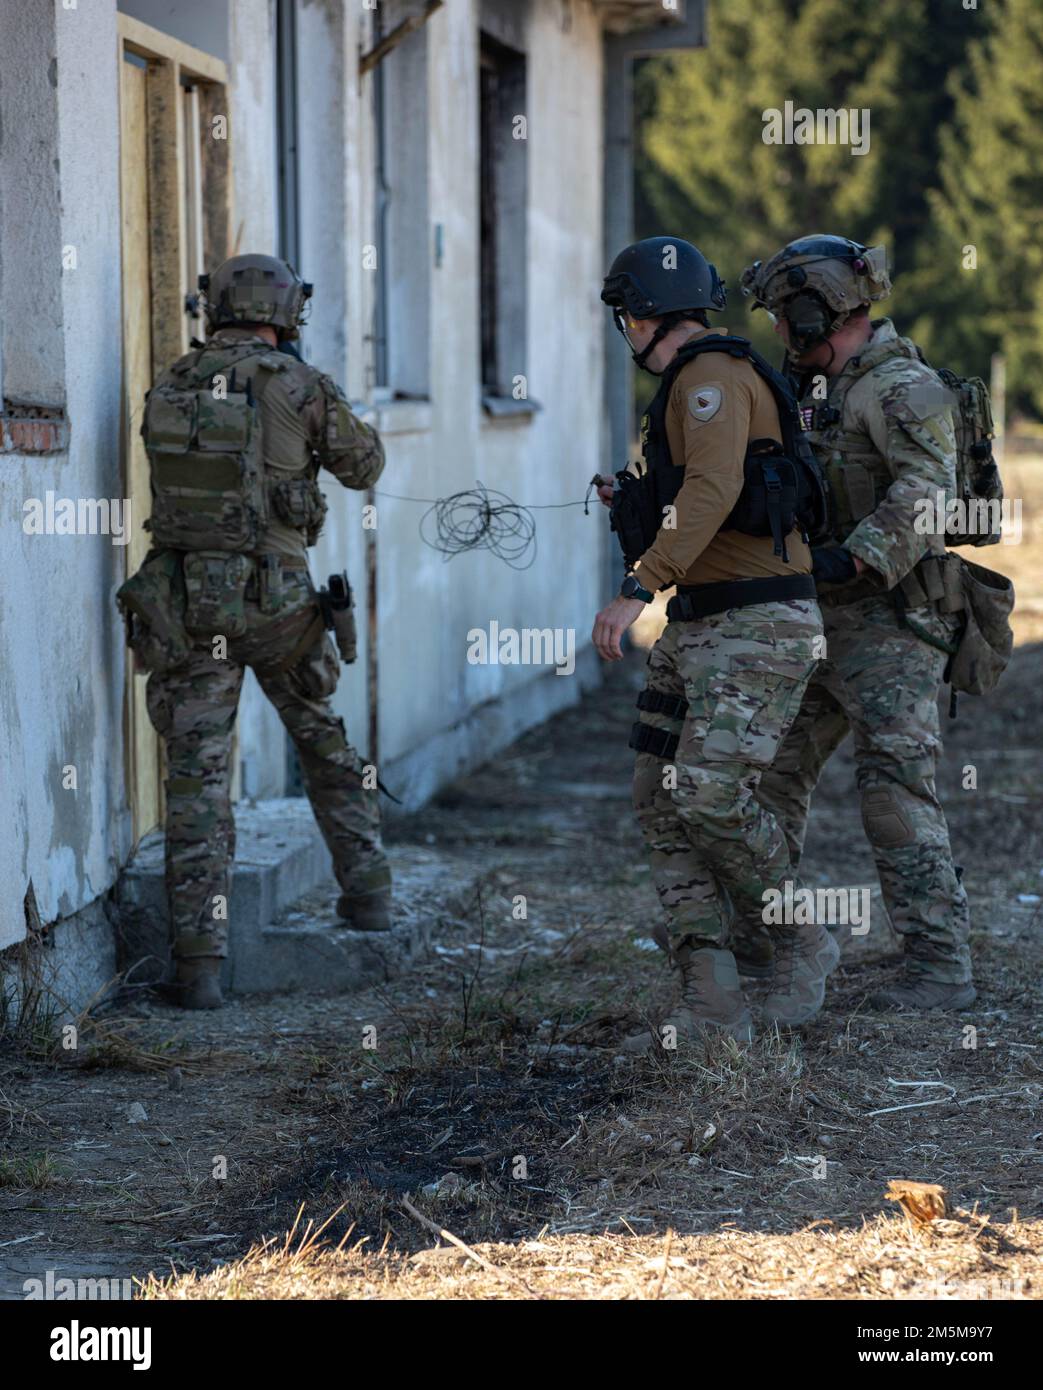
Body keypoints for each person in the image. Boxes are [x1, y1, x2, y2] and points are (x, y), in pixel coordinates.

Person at [119, 253, 390, 1009]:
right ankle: (368, 898)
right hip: (277, 606)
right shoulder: (298, 384)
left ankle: (198, 968)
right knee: (322, 742)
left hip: (185, 602)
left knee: (196, 781)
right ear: (285, 311)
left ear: (217, 308)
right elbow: (364, 465)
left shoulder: (175, 377)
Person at [593, 236, 833, 1049]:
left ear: (643, 315)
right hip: (701, 623)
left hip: (756, 624)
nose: (623, 333)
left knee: (707, 796)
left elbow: (713, 488)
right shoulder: (689, 388)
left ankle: (798, 935)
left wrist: (636, 587)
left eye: (624, 316)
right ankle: (710, 999)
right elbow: (693, 498)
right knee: (658, 797)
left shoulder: (709, 380)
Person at [737, 235, 974, 1010]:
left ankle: (939, 968)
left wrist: (857, 558)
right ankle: (772, 949)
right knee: (766, 781)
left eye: (782, 315)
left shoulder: (901, 389)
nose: (777, 331)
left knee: (895, 788)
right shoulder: (820, 388)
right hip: (816, 620)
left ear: (816, 310)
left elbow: (928, 493)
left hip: (888, 623)